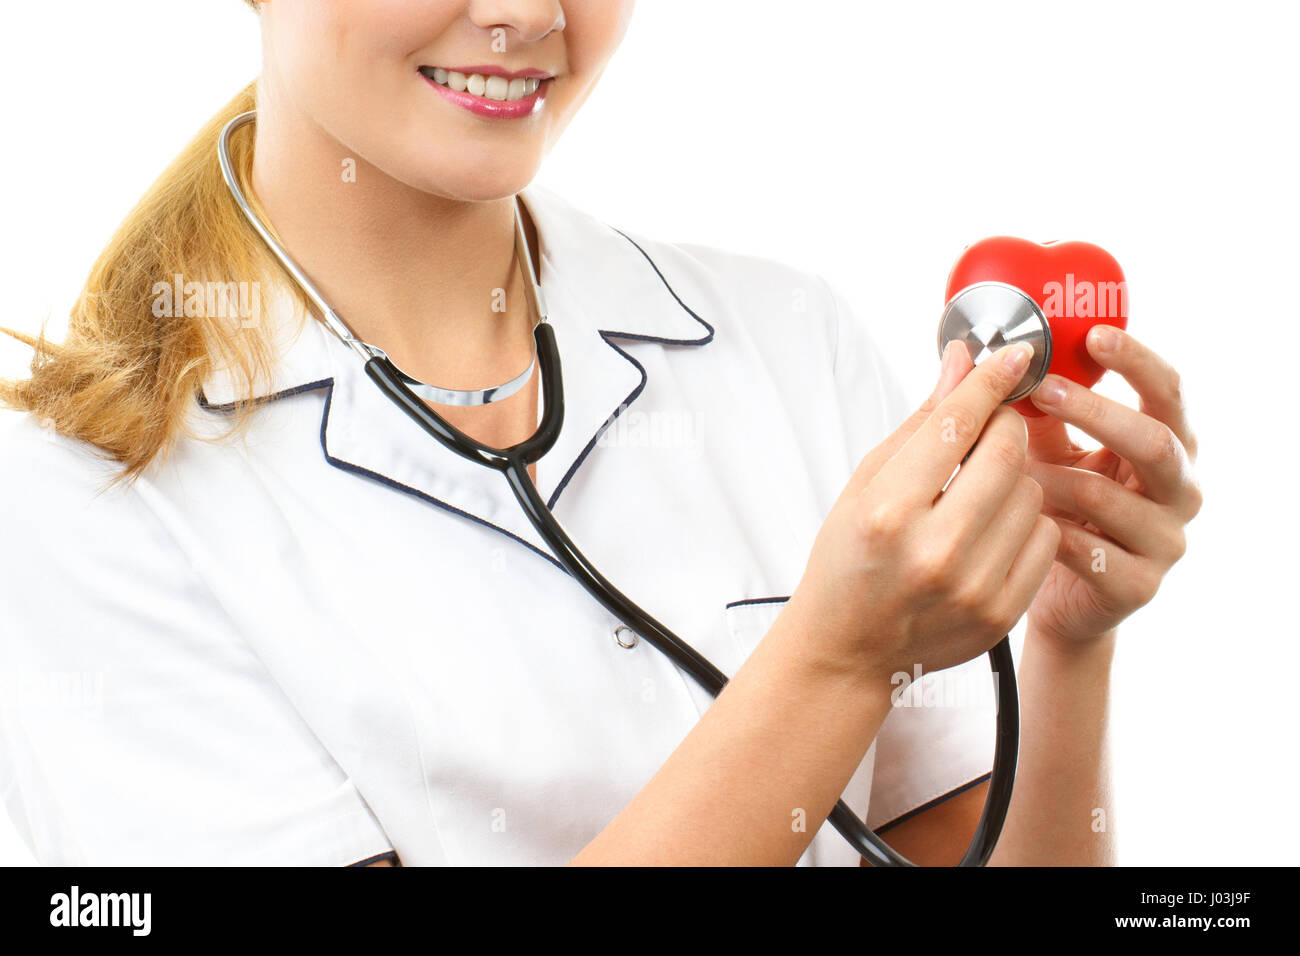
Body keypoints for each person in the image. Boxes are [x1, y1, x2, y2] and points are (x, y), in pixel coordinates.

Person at [0, 0, 1200, 866]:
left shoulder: (790, 338)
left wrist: (1061, 640)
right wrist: (831, 659)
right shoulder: (88, 496)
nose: (526, 14)